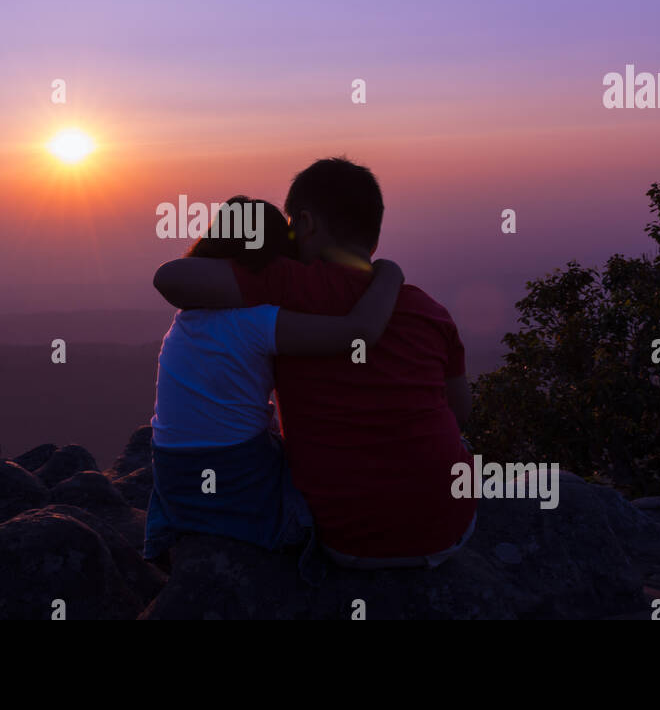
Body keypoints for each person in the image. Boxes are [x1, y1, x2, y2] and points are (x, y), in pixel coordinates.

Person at [153, 159, 476, 568]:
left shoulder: (286, 285)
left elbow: (172, 279)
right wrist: (390, 274)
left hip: (345, 539)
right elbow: (459, 413)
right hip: (447, 530)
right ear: (373, 230)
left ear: (305, 223)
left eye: (290, 226)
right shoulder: (431, 311)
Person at [144, 195, 404, 569]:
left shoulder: (187, 318)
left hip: (172, 473)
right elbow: (357, 334)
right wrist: (389, 273)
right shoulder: (260, 321)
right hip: (235, 473)